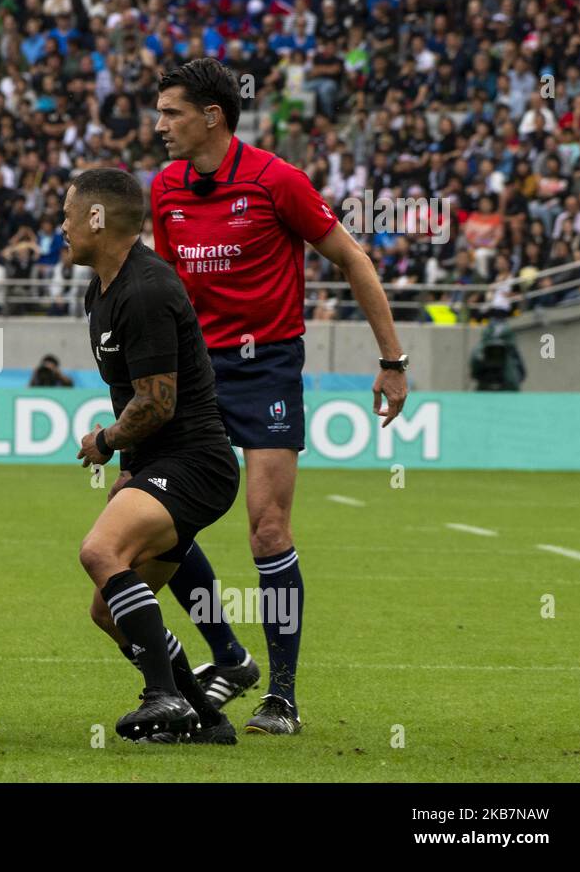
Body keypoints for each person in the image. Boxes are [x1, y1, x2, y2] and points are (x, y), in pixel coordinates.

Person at [150, 59, 408, 734]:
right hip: (194, 372)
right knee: (157, 524)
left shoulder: (275, 181)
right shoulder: (166, 188)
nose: (160, 126)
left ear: (212, 117)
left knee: (267, 531)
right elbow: (169, 290)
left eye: (172, 113)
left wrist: (391, 360)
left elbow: (354, 259)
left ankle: (283, 696)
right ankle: (229, 657)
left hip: (266, 370)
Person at [66, 168, 239, 745]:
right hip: (163, 465)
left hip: (196, 463)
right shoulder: (103, 289)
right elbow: (131, 394)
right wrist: (130, 472)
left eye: (68, 215)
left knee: (99, 550)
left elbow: (156, 403)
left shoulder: (144, 290)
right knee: (107, 612)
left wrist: (106, 443)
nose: (61, 228)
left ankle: (161, 696)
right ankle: (205, 720)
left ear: (96, 219)